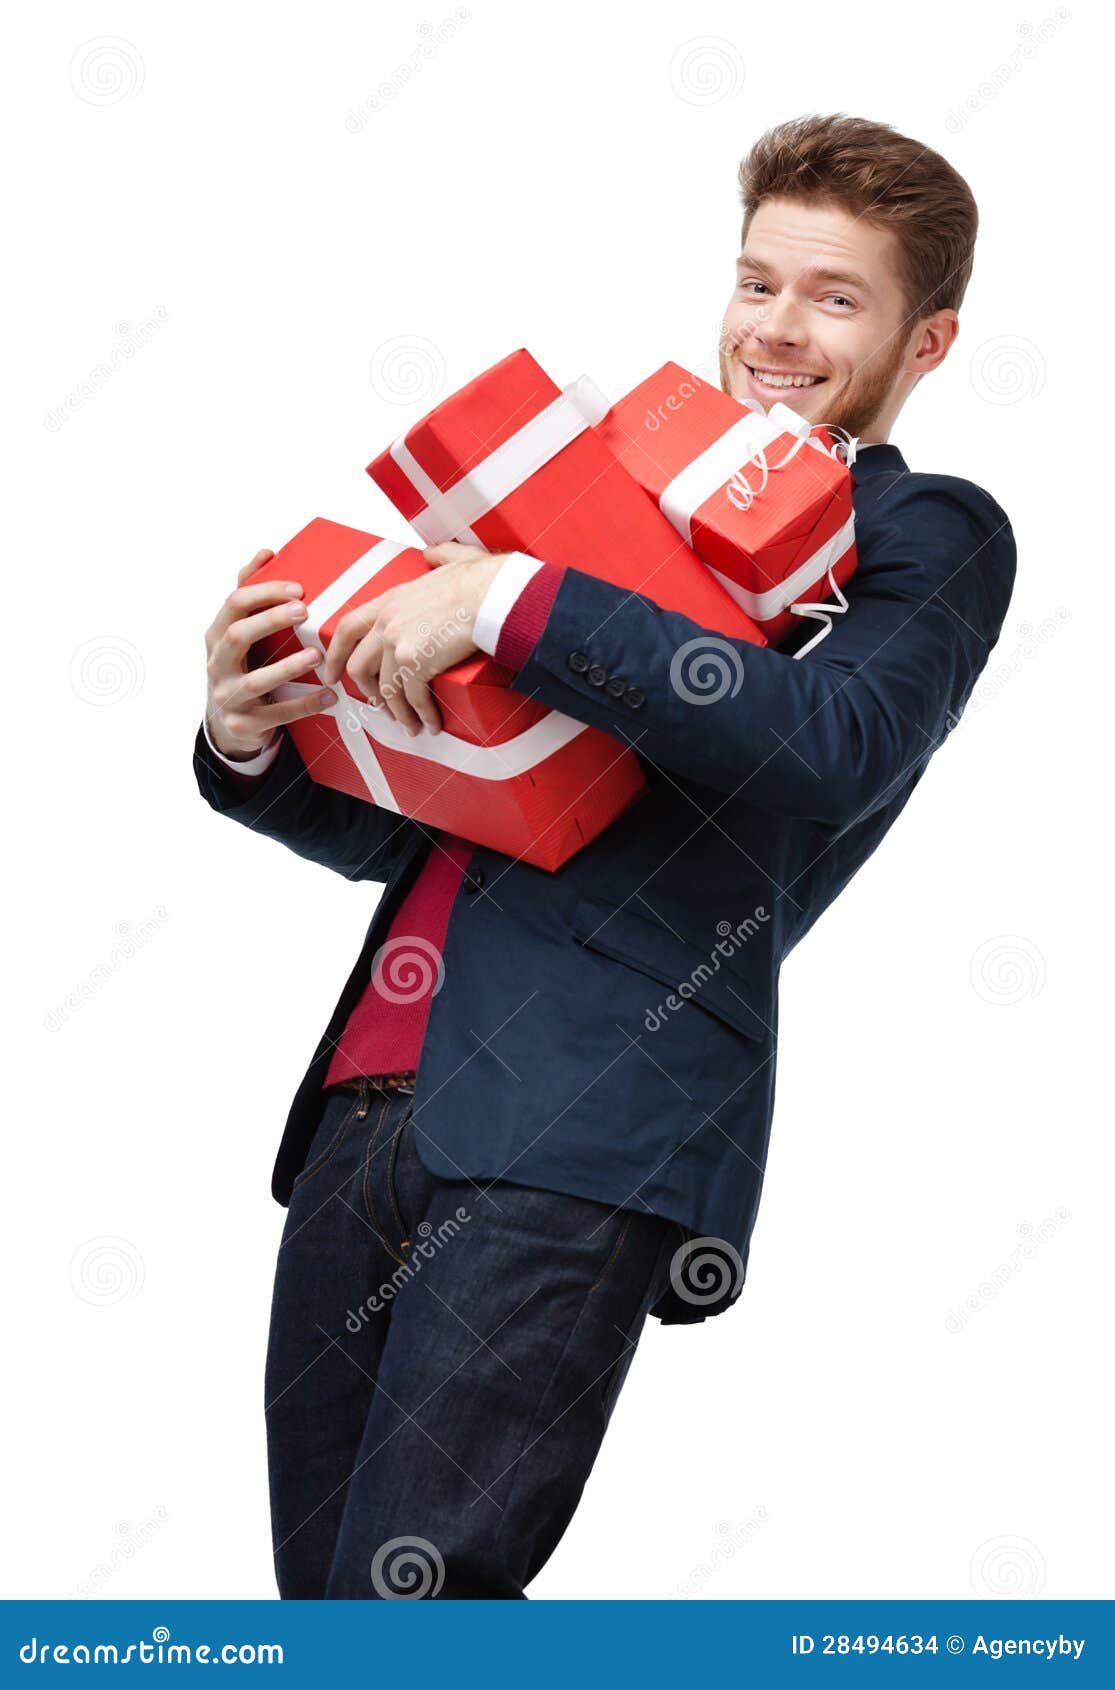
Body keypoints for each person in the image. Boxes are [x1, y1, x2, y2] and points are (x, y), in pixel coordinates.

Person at [195, 113, 1017, 1599]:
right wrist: (260, 732)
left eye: (836, 297)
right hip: (366, 1110)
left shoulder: (929, 531)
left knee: (421, 1600)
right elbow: (436, 815)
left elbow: (829, 739)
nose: (776, 326)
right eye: (757, 280)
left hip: (582, 1116)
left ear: (929, 339)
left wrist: (510, 599)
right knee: (318, 1615)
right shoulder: (621, 505)